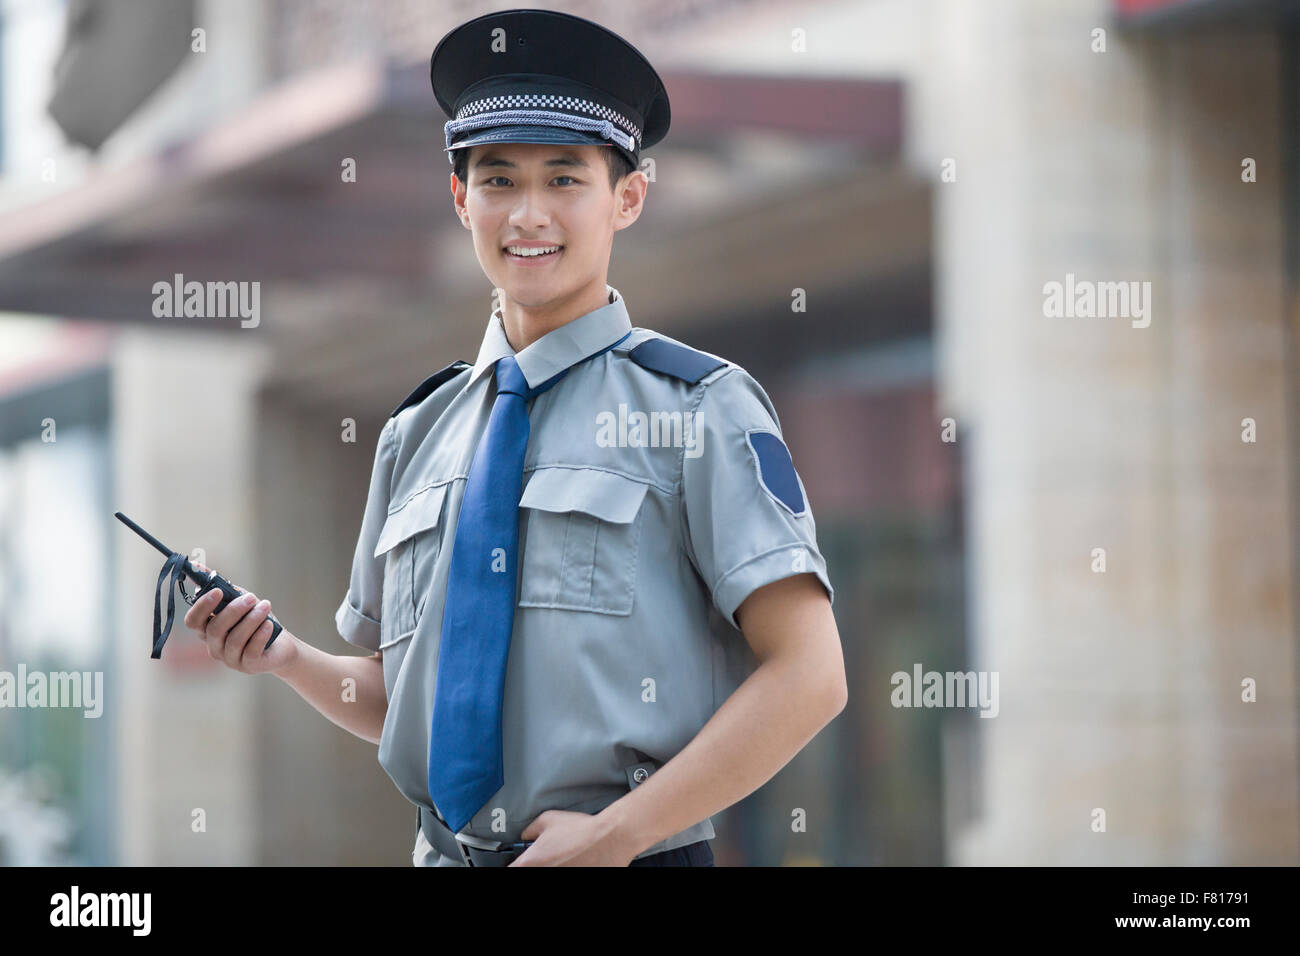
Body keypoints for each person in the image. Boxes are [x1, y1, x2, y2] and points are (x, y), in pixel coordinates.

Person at [183, 8, 846, 867]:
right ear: (461, 198)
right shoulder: (416, 433)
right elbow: (416, 701)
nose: (529, 215)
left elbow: (810, 676)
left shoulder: (699, 410)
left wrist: (617, 835)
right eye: (499, 180)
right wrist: (285, 659)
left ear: (628, 196)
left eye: (565, 179)